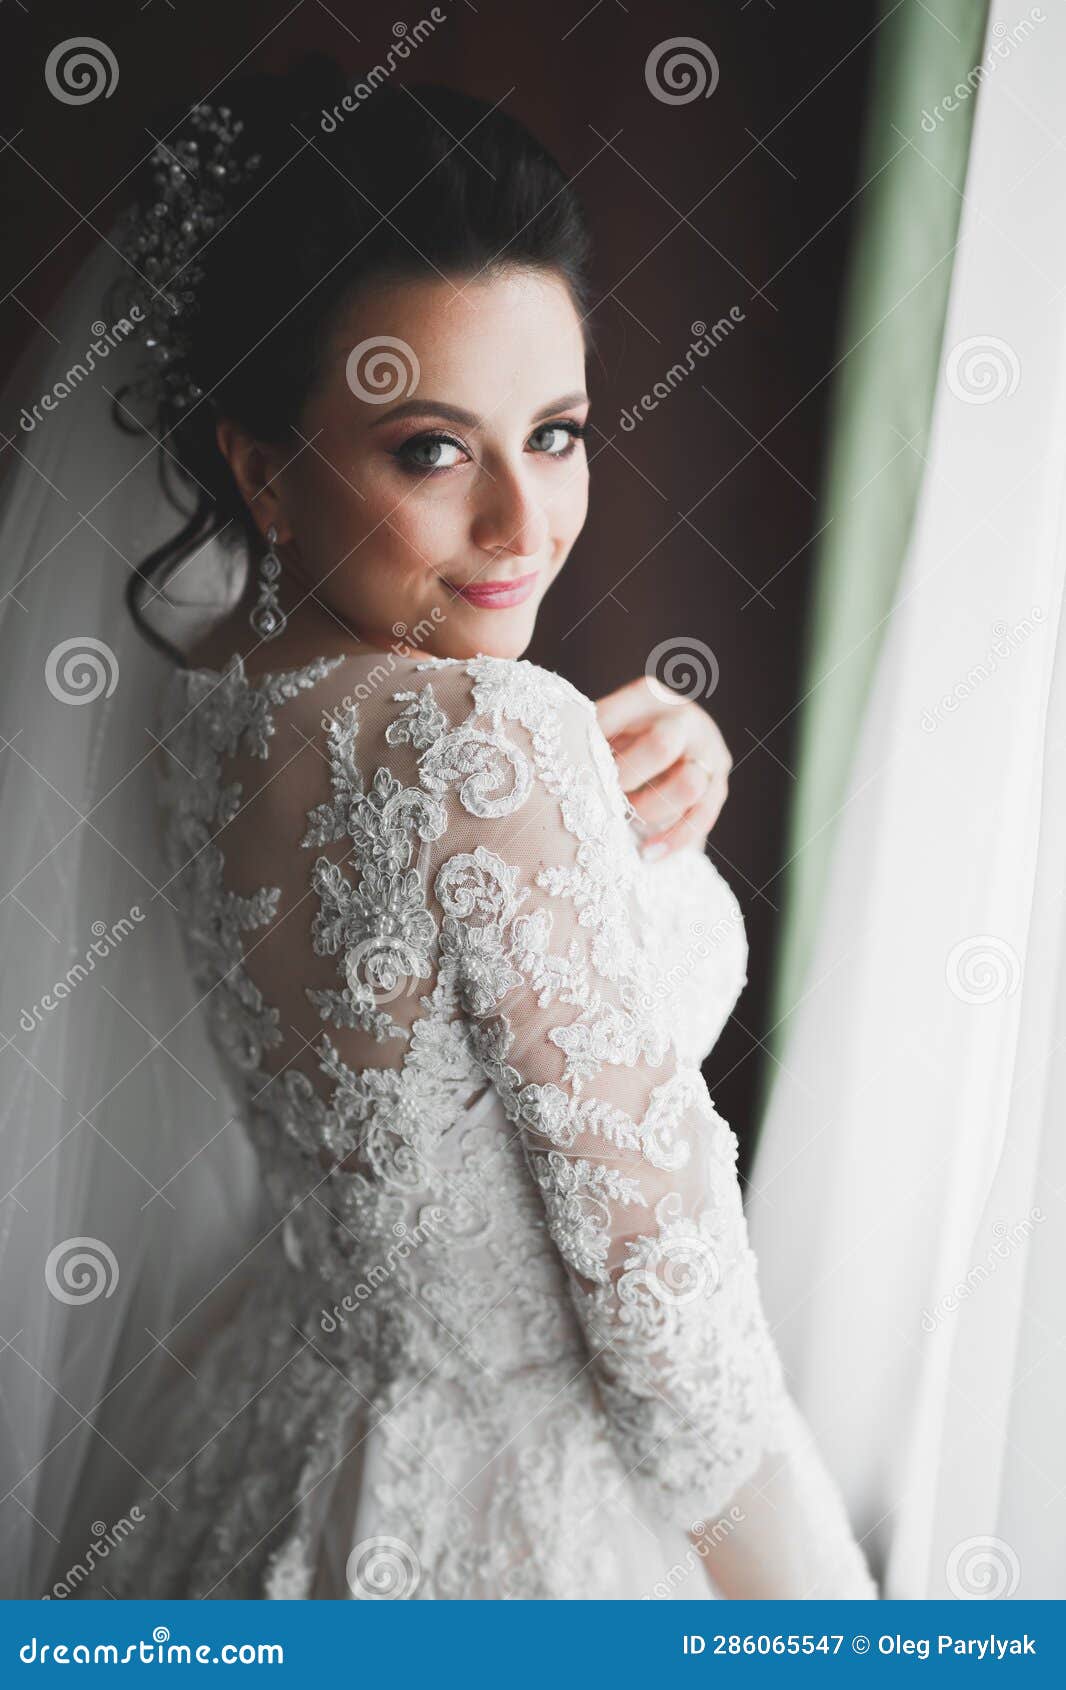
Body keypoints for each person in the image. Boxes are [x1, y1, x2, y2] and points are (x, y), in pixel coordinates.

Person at [2, 56, 876, 1600]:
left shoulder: (194, 685)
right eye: (431, 447)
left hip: (272, 1439)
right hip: (527, 1516)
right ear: (262, 467)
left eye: (556, 432)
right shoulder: (488, 738)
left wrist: (640, 814)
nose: (523, 523)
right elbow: (668, 1322)